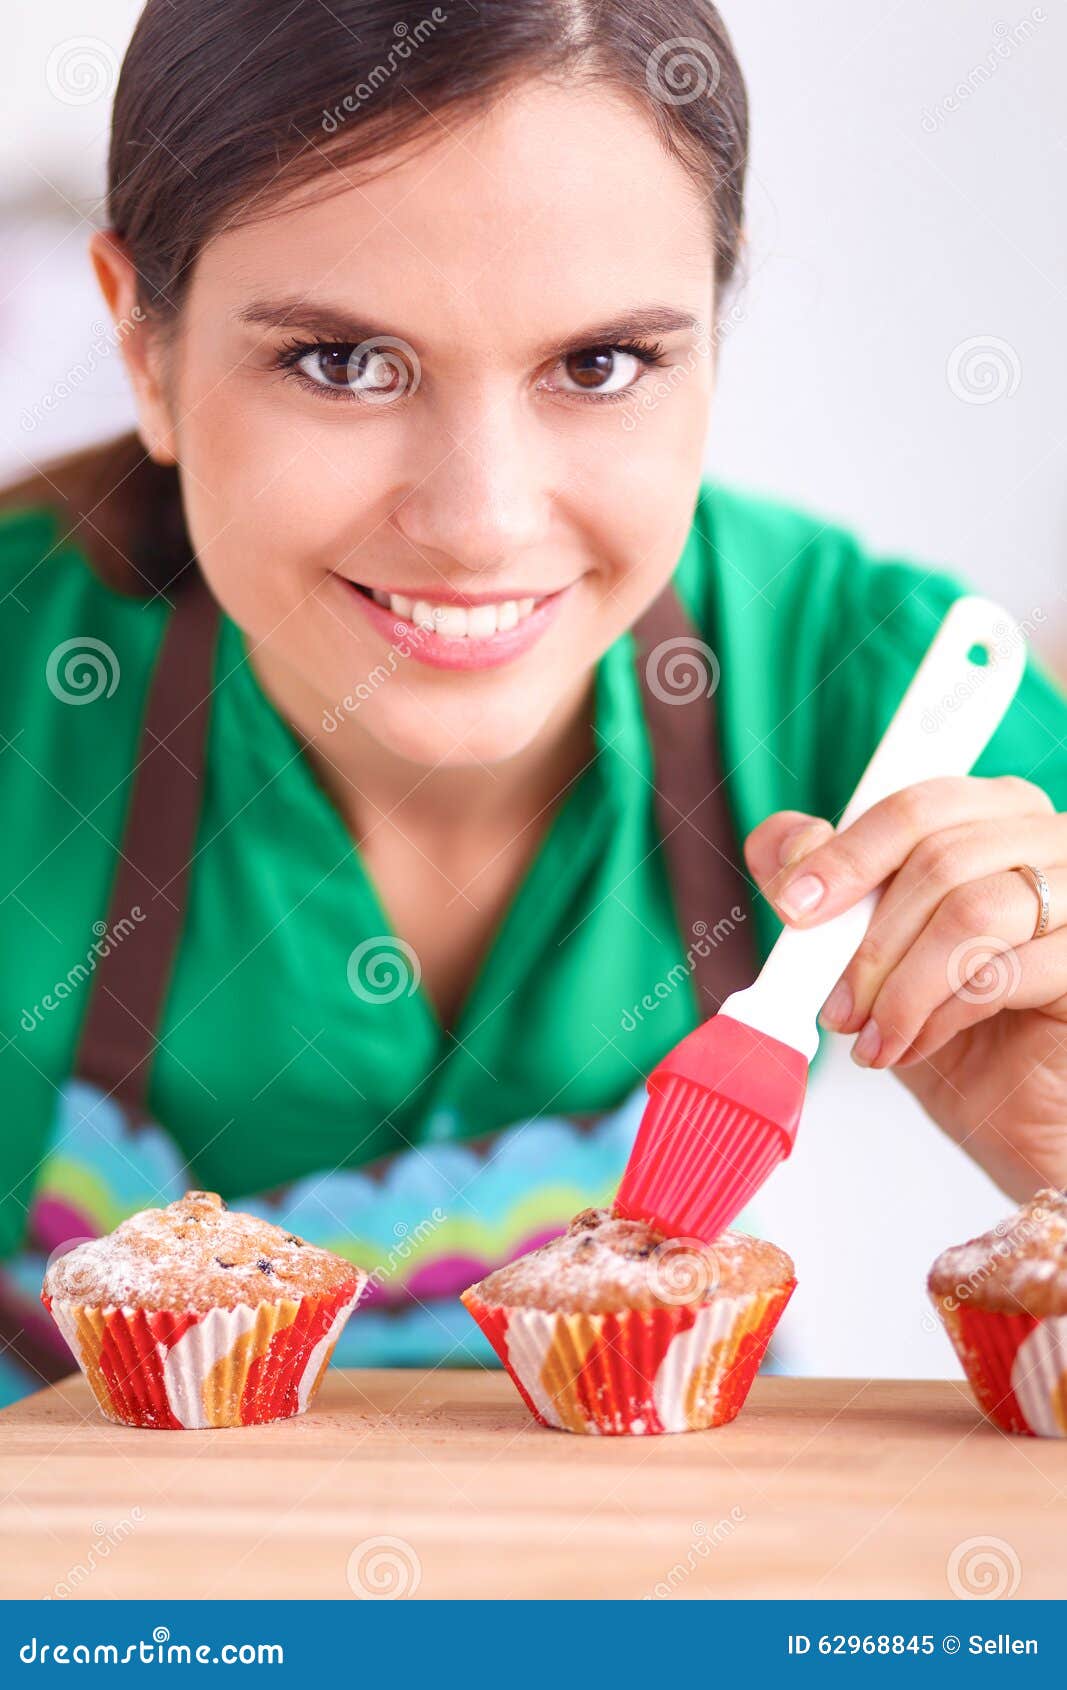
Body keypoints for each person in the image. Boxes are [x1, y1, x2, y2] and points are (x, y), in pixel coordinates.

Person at [1, 0, 1065, 1406]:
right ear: (149, 350)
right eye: (342, 362)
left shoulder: (888, 679)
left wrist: (1051, 1136)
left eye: (599, 363)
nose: (481, 524)